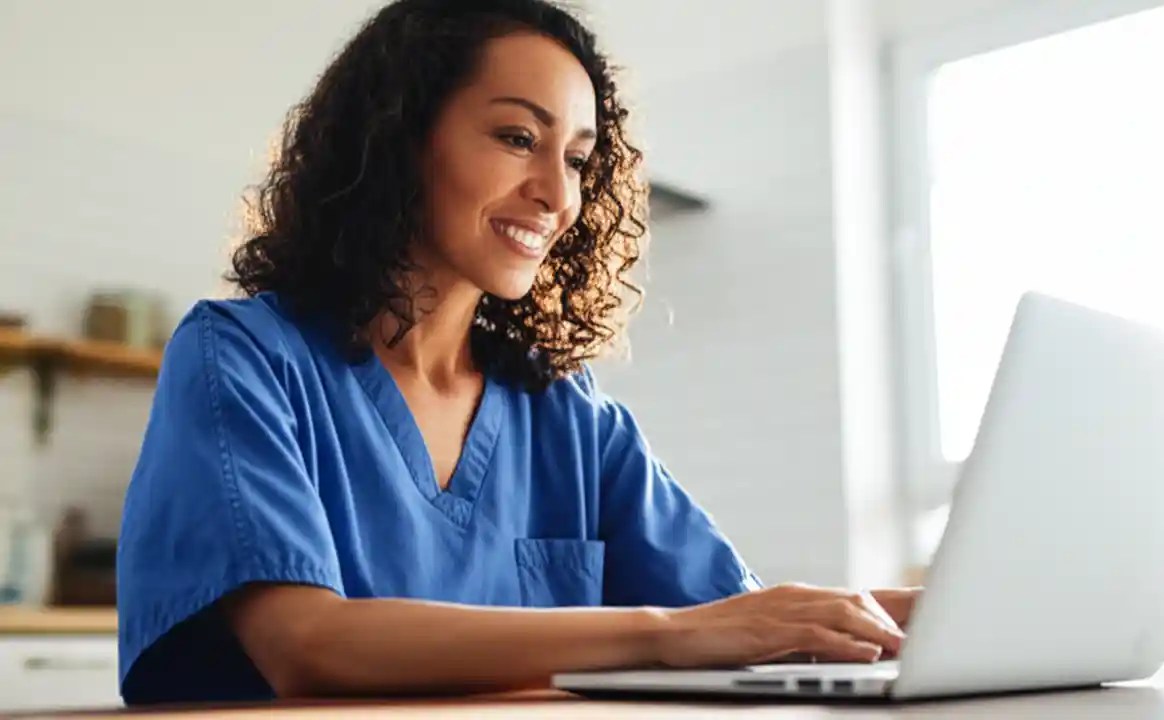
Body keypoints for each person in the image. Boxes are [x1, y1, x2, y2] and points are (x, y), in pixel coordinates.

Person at [116, 0, 919, 705]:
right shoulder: (244, 358)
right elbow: (307, 644)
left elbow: (747, 616)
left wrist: (978, 599)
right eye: (516, 137)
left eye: (575, 158)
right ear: (399, 138)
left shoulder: (571, 418)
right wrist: (664, 632)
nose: (559, 193)